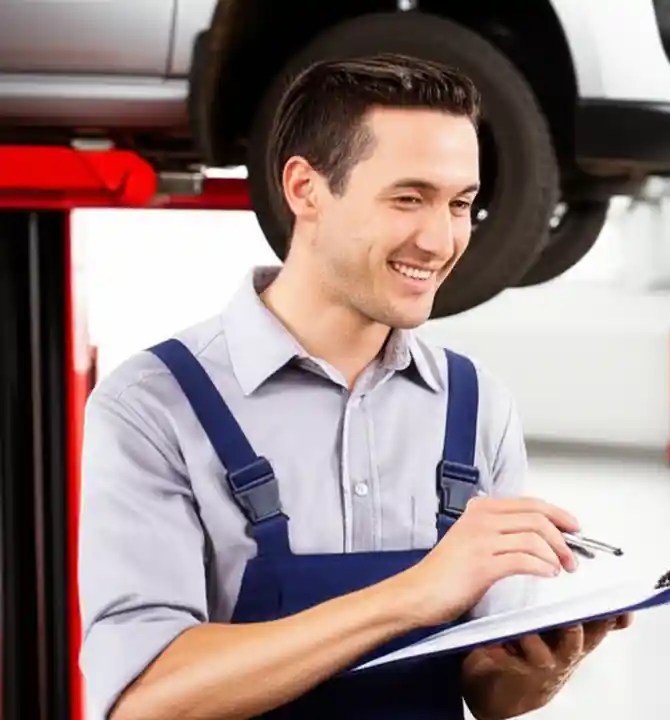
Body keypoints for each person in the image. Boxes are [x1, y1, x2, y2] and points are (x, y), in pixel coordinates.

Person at [77, 54, 629, 720]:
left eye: (460, 204)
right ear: (307, 190)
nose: (441, 239)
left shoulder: (475, 405)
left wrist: (539, 671)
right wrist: (414, 593)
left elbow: (485, 688)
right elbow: (143, 701)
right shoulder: (153, 407)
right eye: (408, 198)